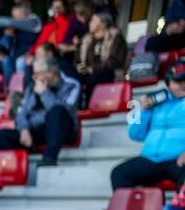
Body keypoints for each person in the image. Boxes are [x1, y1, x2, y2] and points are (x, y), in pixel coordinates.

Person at [111, 60, 185, 190]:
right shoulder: (157, 102)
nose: (183, 85)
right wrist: (142, 110)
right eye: (178, 82)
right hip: (151, 159)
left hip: (178, 160)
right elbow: (135, 134)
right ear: (168, 84)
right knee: (119, 173)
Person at [0, 56, 80, 165]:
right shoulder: (31, 87)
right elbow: (21, 114)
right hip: (37, 131)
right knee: (3, 135)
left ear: (52, 72)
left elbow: (65, 111)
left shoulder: (71, 85)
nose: (36, 78)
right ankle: (13, 171)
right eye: (35, 74)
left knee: (57, 111)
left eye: (40, 74)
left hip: (62, 131)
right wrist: (24, 130)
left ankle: (48, 159)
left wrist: (45, 93)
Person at [75, 11, 128, 90]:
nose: (90, 23)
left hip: (111, 74)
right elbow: (78, 61)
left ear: (103, 24)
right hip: (88, 74)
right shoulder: (86, 39)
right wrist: (83, 71)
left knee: (95, 79)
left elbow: (114, 62)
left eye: (93, 20)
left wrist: (92, 70)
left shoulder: (115, 38)